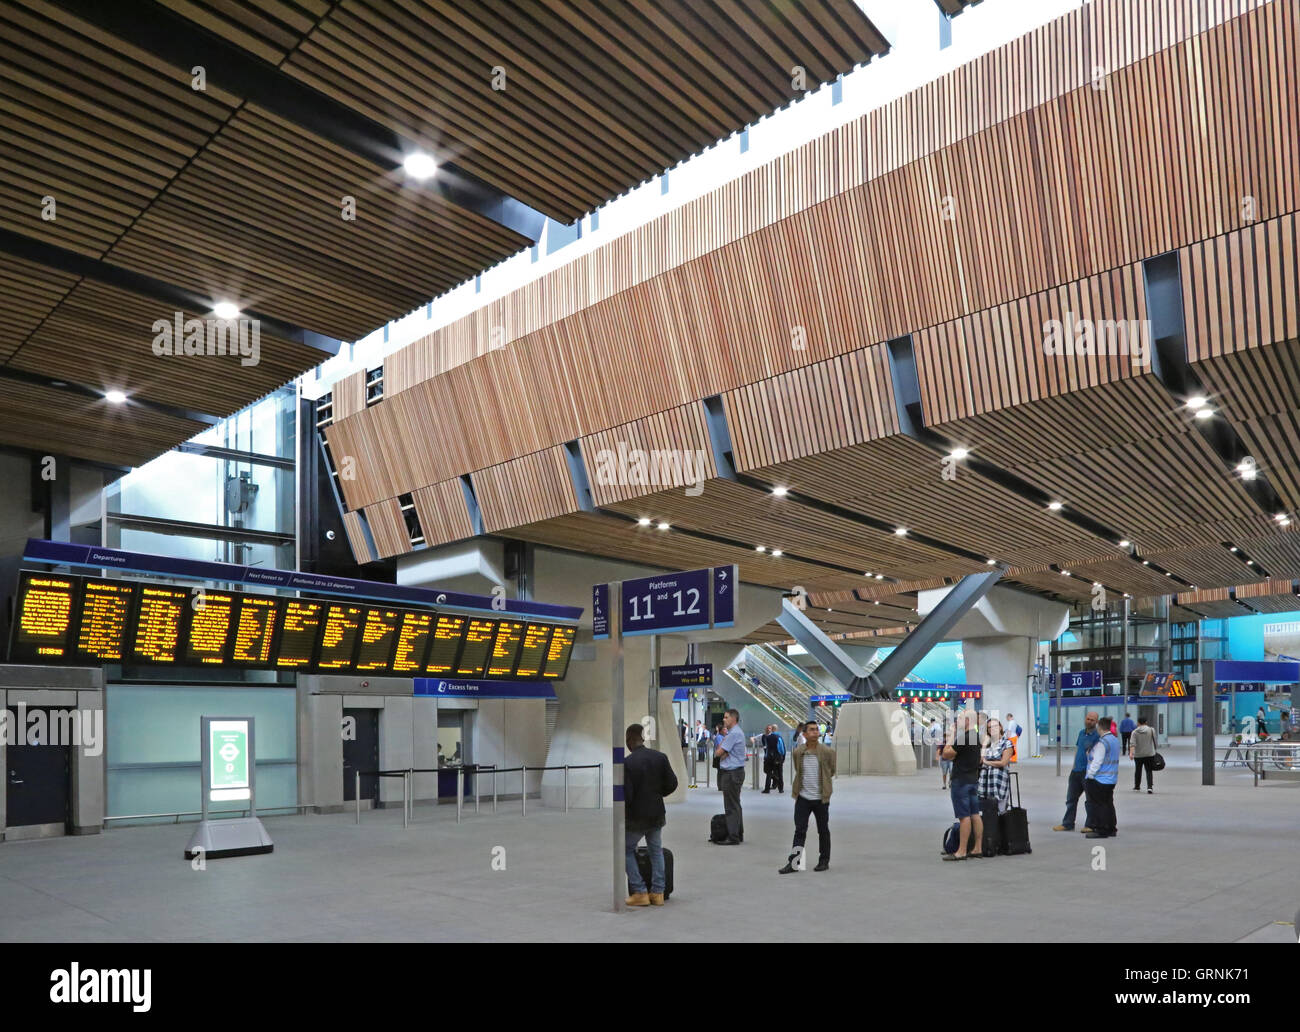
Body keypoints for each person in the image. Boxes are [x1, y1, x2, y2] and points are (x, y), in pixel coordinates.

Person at [622, 722, 678, 907]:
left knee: (625, 850)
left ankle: (639, 892)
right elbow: (672, 783)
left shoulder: (628, 763)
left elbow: (628, 795)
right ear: (642, 738)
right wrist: (657, 794)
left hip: (637, 817)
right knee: (656, 851)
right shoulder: (660, 757)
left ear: (629, 740)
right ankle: (658, 893)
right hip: (656, 813)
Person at [779, 721, 836, 873]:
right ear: (804, 734)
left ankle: (824, 861)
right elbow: (798, 770)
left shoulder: (827, 752)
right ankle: (794, 863)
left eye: (816, 729)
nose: (815, 732)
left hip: (821, 799)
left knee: (823, 830)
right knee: (800, 830)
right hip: (803, 798)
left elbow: (831, 770)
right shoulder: (799, 752)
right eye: (811, 730)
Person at [940, 708, 984, 860]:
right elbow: (978, 759)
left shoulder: (964, 737)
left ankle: (962, 851)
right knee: (975, 814)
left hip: (961, 781)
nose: (957, 722)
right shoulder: (976, 737)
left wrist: (951, 734)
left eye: (959, 719)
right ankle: (977, 847)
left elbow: (946, 754)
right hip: (973, 780)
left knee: (964, 817)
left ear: (967, 721)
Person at [1053, 710, 1099, 833]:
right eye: (1088, 719)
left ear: (1096, 722)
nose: (1089, 721)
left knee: (1090, 800)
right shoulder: (1081, 733)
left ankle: (1090, 825)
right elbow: (1078, 750)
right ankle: (1067, 823)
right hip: (1076, 772)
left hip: (1088, 773)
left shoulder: (1097, 736)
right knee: (1071, 799)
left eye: (1092, 720)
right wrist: (1073, 767)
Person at [712, 709, 746, 844]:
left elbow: (718, 753)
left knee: (731, 806)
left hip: (731, 773)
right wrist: (723, 752)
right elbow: (722, 752)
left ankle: (733, 837)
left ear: (733, 719)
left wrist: (722, 752)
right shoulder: (735, 733)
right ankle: (738, 833)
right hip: (736, 772)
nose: (724, 720)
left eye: (726, 717)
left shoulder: (733, 734)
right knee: (736, 804)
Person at [1083, 715, 1120, 839]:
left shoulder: (1102, 743)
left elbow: (1097, 761)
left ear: (1100, 727)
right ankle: (1111, 828)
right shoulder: (1114, 740)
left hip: (1100, 780)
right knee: (1108, 804)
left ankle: (1101, 829)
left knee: (1099, 805)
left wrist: (1090, 775)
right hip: (1111, 779)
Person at [978, 717, 1015, 820]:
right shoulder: (988, 745)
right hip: (985, 781)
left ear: (1000, 727)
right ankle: (989, 834)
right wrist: (984, 745)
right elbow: (980, 761)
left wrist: (986, 762)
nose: (992, 729)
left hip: (999, 781)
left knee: (999, 811)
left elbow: (1003, 762)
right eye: (989, 728)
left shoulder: (1007, 743)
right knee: (986, 812)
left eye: (995, 726)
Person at [1130, 715, 1157, 793]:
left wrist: (1131, 753)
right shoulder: (1151, 730)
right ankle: (1149, 787)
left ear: (1138, 723)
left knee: (1138, 770)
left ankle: (1137, 786)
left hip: (1138, 755)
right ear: (1146, 722)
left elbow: (1132, 744)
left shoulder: (1134, 732)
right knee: (1149, 770)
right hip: (1149, 753)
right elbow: (1154, 740)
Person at [762, 724, 786, 793]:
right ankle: (780, 789)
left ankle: (767, 789)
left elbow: (767, 748)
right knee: (780, 773)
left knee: (769, 773)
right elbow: (781, 749)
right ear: (777, 729)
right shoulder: (779, 737)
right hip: (777, 758)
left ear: (772, 729)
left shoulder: (767, 738)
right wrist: (782, 757)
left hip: (769, 758)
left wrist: (766, 757)